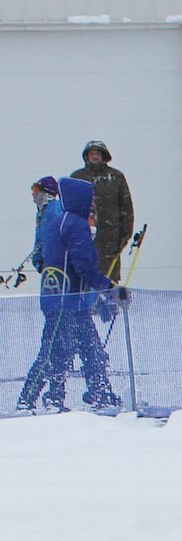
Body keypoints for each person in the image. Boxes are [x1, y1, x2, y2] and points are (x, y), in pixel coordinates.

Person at [17, 176, 121, 413]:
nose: (93, 201)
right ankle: (33, 399)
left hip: (60, 300)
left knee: (80, 349)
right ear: (80, 198)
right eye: (91, 197)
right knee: (58, 351)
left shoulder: (58, 223)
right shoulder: (75, 225)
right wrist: (107, 288)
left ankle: (94, 393)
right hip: (69, 301)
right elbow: (83, 265)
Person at [71, 140, 135, 281]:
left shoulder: (116, 177)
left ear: (104, 156)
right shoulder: (77, 178)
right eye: (91, 154)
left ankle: (109, 302)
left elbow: (126, 208)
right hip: (84, 237)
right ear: (86, 157)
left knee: (108, 279)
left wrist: (124, 237)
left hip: (110, 239)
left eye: (97, 154)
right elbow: (69, 208)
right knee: (84, 277)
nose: (94, 157)